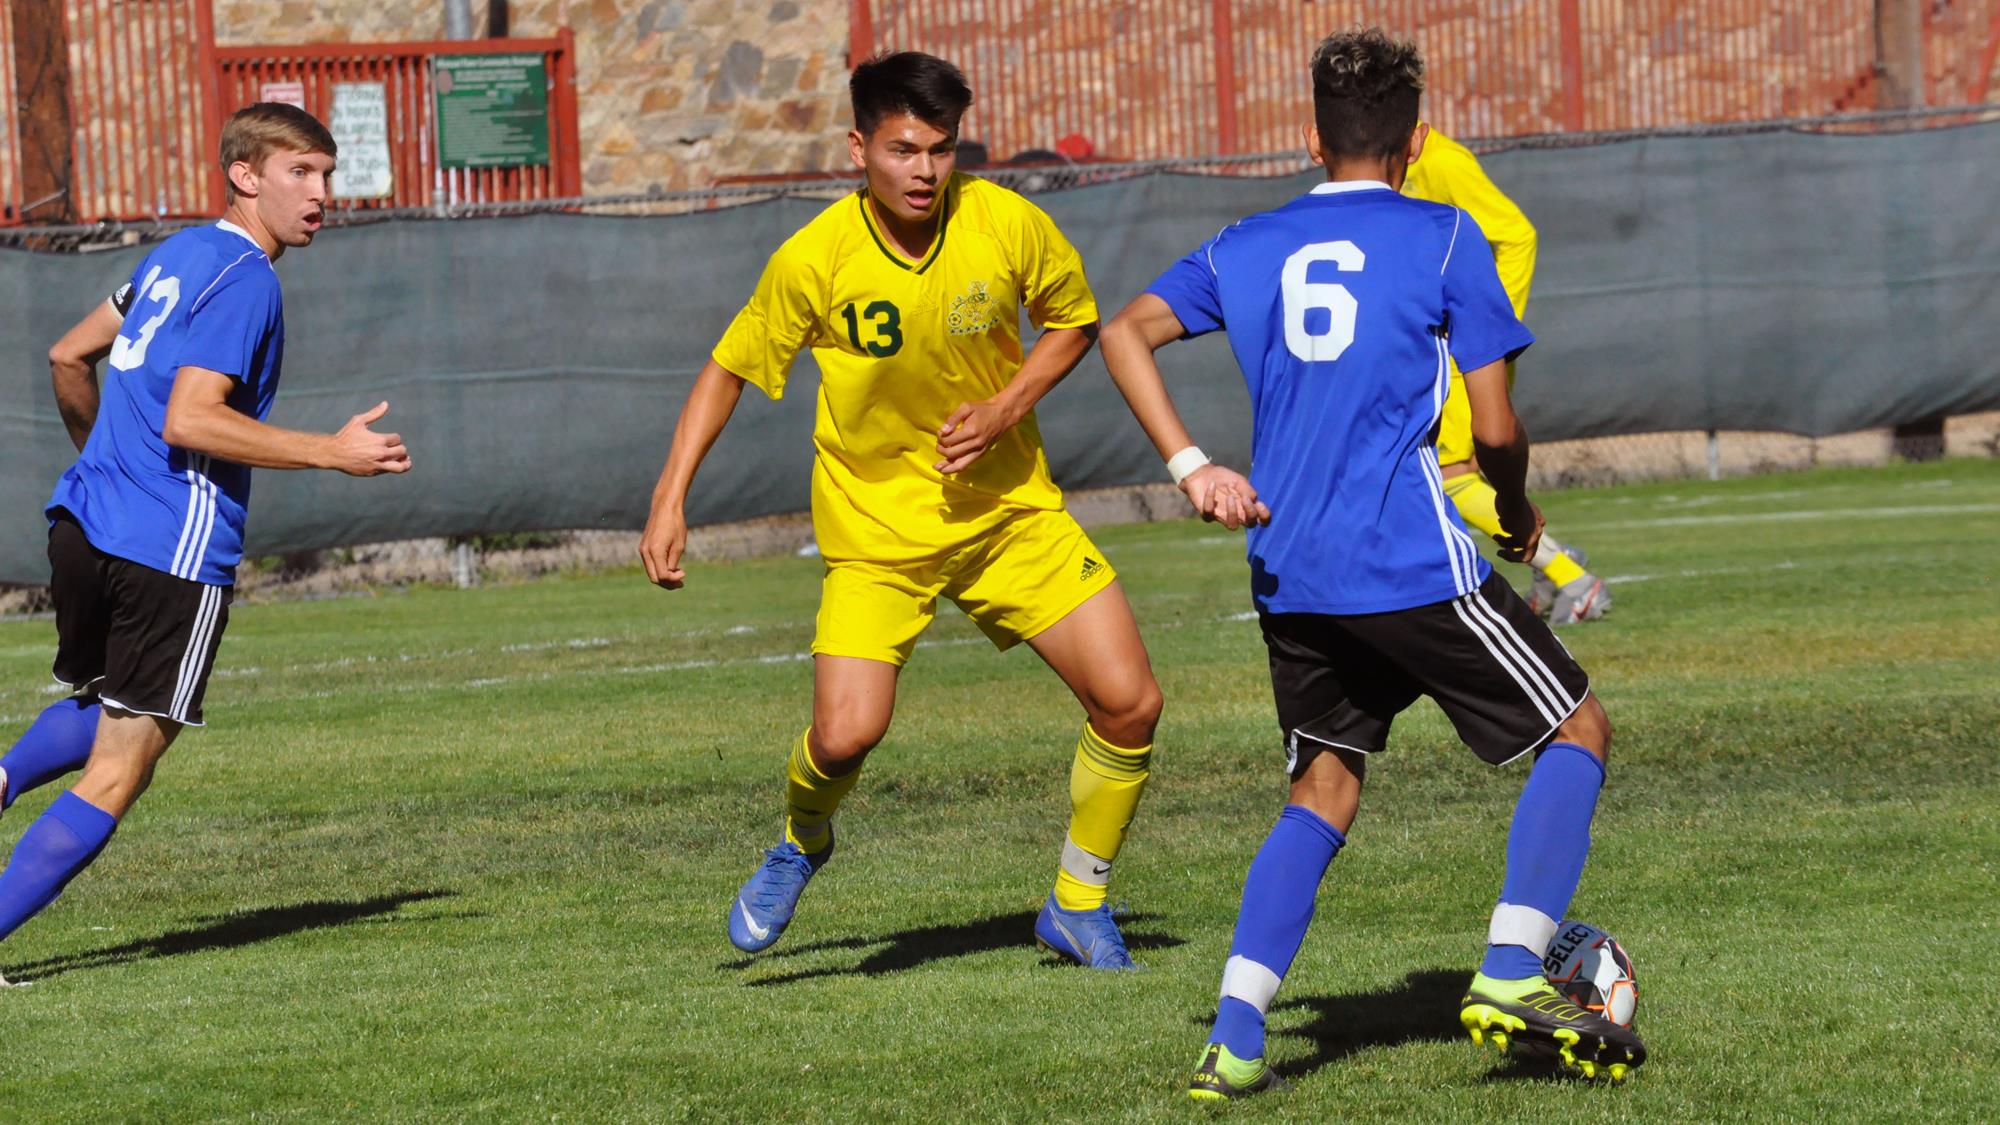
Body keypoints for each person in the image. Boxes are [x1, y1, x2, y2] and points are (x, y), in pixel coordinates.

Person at [1096, 29, 1646, 1096]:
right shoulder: (1445, 237)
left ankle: (1236, 1037)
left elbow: (1124, 332)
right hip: (1406, 561)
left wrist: (1191, 465)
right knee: (1575, 728)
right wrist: (1521, 515)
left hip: (1288, 567)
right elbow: (1491, 430)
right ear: (1411, 143)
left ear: (1313, 137)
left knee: (1322, 786)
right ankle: (1507, 971)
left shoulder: (1247, 242)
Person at [639, 52, 1162, 969]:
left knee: (1131, 703)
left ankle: (1078, 901)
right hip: (878, 532)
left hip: (1006, 515)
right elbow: (727, 369)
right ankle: (803, 837)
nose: (925, 170)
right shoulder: (817, 257)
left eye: (943, 149)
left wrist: (1005, 407)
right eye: (904, 149)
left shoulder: (1004, 221)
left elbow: (1074, 319)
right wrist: (668, 497)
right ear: (859, 148)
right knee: (846, 734)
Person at [0, 103, 411, 972]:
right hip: (167, 552)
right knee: (122, 765)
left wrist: (108, 466)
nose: (321, 194)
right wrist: (330, 453)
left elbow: (68, 355)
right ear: (245, 176)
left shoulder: (177, 252)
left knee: (107, 706)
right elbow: (193, 417)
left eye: (328, 175)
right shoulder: (250, 278)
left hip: (84, 525)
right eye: (301, 173)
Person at [1402, 127, 1609, 624]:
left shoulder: (1443, 161)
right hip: (1431, 346)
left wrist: (1487, 338)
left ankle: (1572, 580)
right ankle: (1557, 564)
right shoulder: (1393, 162)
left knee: (1450, 476)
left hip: (1458, 352)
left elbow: (1517, 235)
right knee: (1445, 472)